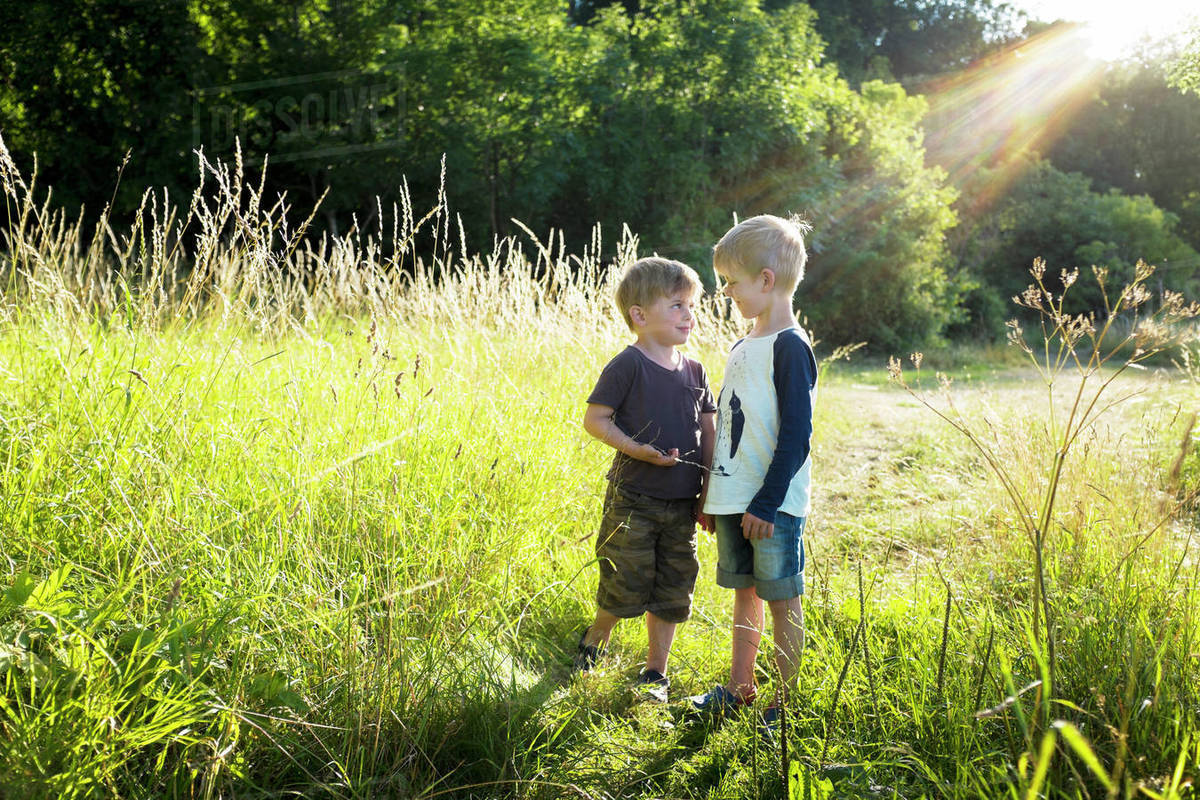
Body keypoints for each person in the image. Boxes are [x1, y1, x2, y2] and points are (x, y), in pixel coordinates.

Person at [687, 215, 817, 734]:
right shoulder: (744, 344)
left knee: (781, 599)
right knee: (744, 591)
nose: (726, 293)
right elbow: (733, 420)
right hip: (734, 497)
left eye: (731, 283)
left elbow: (796, 436)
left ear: (765, 280)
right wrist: (713, 496)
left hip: (773, 504)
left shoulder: (790, 347)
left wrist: (766, 502)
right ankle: (741, 686)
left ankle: (782, 706)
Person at [577, 256, 716, 703]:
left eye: (691, 306)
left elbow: (709, 430)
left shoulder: (694, 370)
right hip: (634, 497)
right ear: (639, 314)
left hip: (681, 503)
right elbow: (596, 419)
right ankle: (594, 639)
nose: (689, 315)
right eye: (677, 305)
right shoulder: (628, 365)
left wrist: (708, 490)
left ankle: (656, 673)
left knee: (675, 585)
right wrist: (636, 449)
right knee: (625, 578)